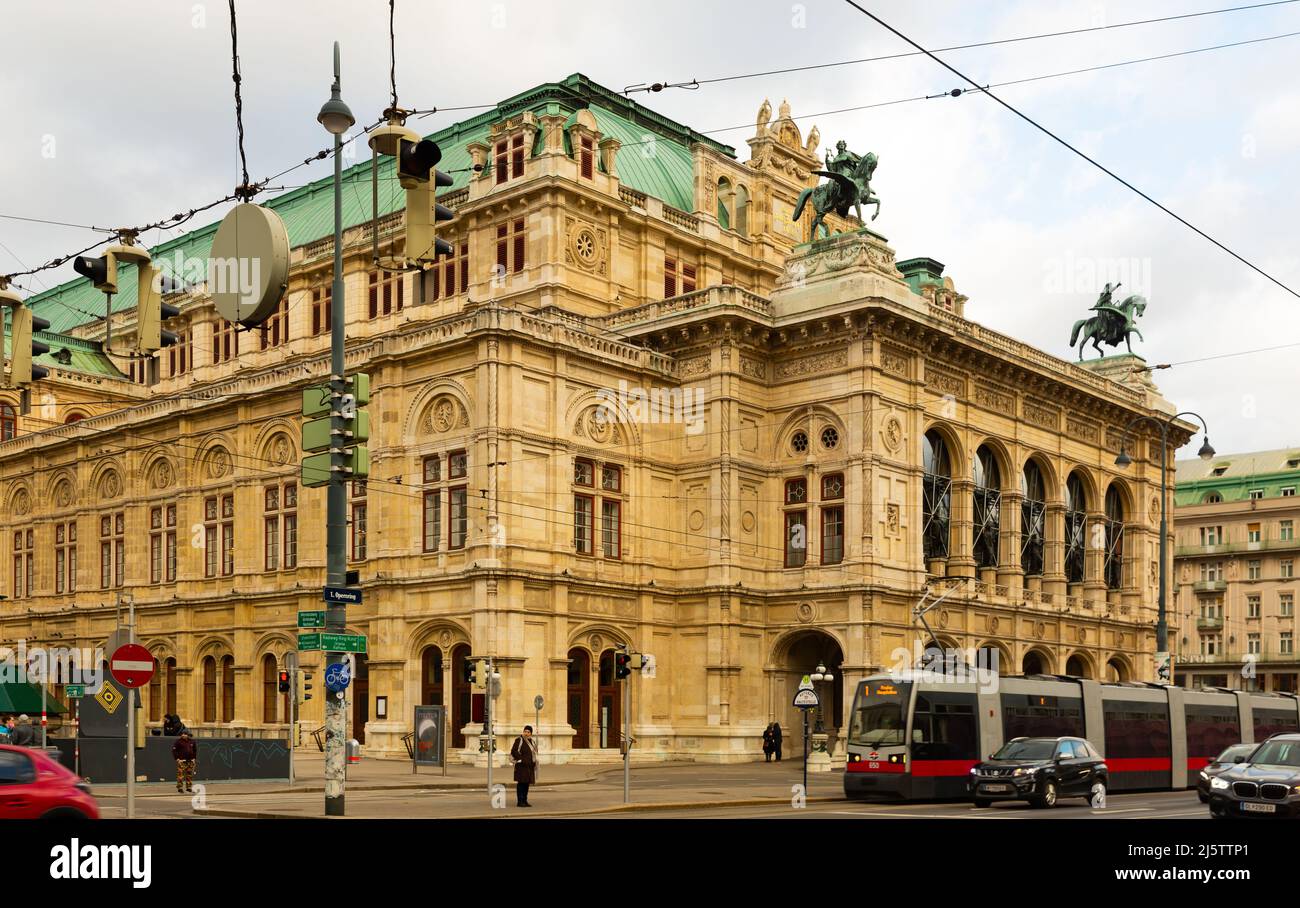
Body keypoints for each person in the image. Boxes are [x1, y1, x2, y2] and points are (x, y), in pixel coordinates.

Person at [509, 725, 537, 808]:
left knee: (526, 784)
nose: (526, 733)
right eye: (525, 731)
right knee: (521, 784)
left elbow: (534, 753)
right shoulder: (519, 740)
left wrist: (534, 762)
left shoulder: (532, 742)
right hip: (521, 766)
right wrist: (521, 759)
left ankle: (525, 800)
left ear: (531, 733)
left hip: (529, 766)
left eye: (528, 732)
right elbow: (514, 751)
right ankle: (520, 801)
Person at [172, 729, 197, 793]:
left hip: (190, 761)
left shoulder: (192, 741)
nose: (183, 735)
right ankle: (180, 788)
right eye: (182, 734)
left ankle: (189, 787)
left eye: (185, 734)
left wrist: (194, 758)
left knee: (189, 775)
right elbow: (174, 750)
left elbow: (195, 750)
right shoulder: (178, 742)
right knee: (180, 775)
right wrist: (177, 759)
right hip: (182, 761)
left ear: (188, 735)